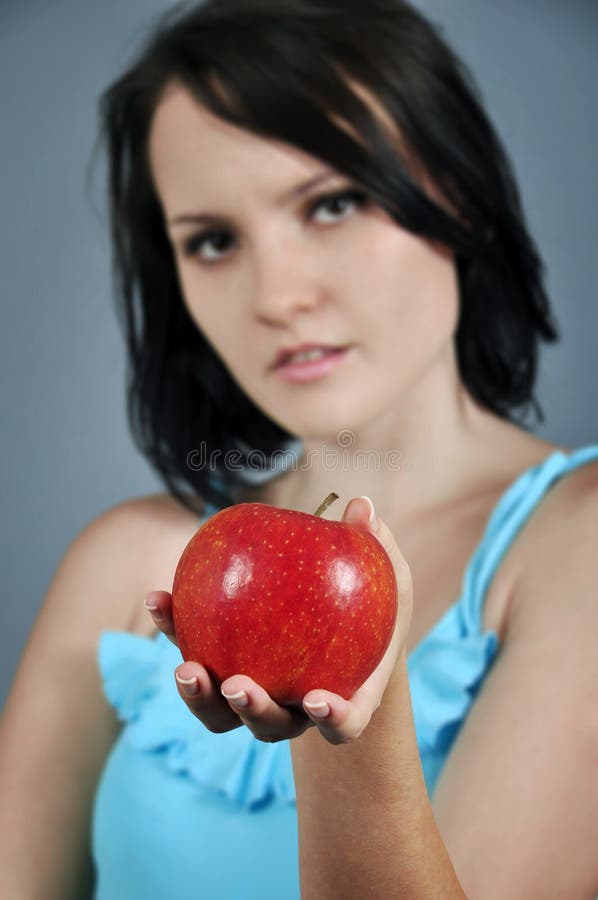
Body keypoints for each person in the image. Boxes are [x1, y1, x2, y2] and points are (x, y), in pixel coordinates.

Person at [1, 0, 597, 897]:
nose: (277, 295)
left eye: (334, 203)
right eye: (211, 241)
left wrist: (348, 720)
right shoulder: (121, 562)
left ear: (460, 192)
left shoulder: (577, 544)